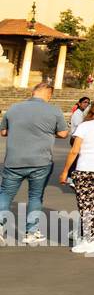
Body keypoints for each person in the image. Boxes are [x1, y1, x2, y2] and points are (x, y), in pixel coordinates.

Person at [0, 82, 70, 245]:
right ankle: (31, 232)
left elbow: (3, 132)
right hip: (40, 161)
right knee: (35, 196)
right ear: (49, 95)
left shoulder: (13, 108)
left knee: (5, 194)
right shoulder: (54, 110)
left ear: (33, 92)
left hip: (14, 160)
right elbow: (63, 133)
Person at [58, 97, 94, 255]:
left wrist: (65, 171)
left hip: (86, 168)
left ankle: (89, 241)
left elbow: (74, 150)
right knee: (93, 205)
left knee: (85, 206)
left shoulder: (85, 126)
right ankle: (88, 238)